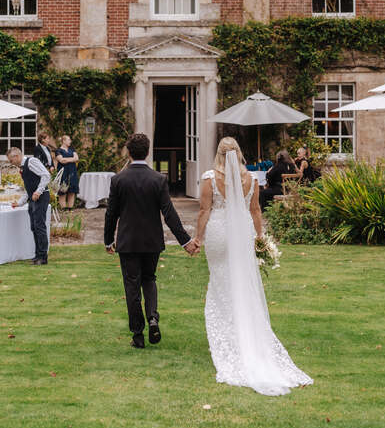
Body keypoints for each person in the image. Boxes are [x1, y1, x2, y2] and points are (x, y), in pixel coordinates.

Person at [194, 136, 312, 396]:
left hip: (219, 232)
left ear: (219, 154)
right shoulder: (251, 180)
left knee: (222, 283)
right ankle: (247, 333)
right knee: (243, 283)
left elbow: (205, 210)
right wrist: (260, 238)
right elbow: (256, 211)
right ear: (239, 153)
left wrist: (197, 238)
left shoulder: (210, 178)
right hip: (243, 232)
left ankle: (232, 338)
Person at [104, 133, 198, 349]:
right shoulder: (158, 179)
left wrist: (108, 240)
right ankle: (153, 318)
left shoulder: (118, 180)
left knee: (132, 286)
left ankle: (138, 334)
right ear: (148, 152)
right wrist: (185, 241)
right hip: (152, 241)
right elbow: (169, 213)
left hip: (127, 241)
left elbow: (111, 214)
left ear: (129, 152)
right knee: (149, 279)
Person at [7, 146, 51, 265]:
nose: (11, 163)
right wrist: (20, 202)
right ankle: (37, 255)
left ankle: (43, 257)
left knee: (40, 226)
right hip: (33, 199)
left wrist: (38, 191)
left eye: (11, 161)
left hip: (41, 197)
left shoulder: (32, 162)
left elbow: (46, 175)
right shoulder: (22, 168)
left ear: (16, 156)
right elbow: (28, 188)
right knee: (34, 227)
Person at [55, 134, 80, 210]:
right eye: (69, 140)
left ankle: (70, 208)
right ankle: (63, 208)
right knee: (63, 190)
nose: (70, 141)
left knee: (72, 190)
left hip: (72, 172)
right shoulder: (58, 150)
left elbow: (77, 158)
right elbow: (61, 160)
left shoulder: (72, 150)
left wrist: (66, 159)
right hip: (63, 173)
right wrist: (72, 159)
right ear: (63, 141)